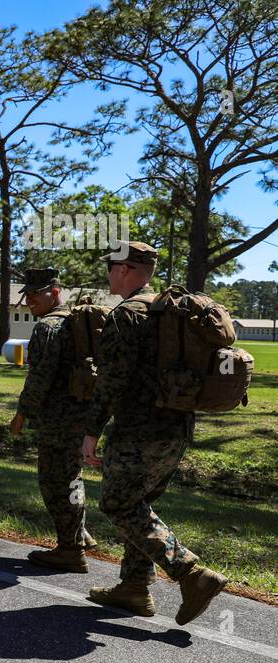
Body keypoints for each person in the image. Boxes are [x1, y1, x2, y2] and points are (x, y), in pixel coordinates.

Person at [82, 240, 229, 624]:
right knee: (141, 503)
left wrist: (91, 431)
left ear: (127, 269)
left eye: (111, 266)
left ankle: (192, 574)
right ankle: (134, 588)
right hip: (177, 427)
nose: (108, 274)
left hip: (137, 431)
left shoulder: (126, 315)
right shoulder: (171, 312)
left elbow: (111, 381)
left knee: (120, 504)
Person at [10, 267, 97, 572]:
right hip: (80, 416)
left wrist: (22, 413)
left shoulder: (48, 327)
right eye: (28, 294)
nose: (30, 299)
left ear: (55, 292)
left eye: (37, 293)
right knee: (72, 477)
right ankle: (79, 534)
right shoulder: (76, 321)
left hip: (57, 420)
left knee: (53, 482)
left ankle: (70, 549)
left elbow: (39, 379)